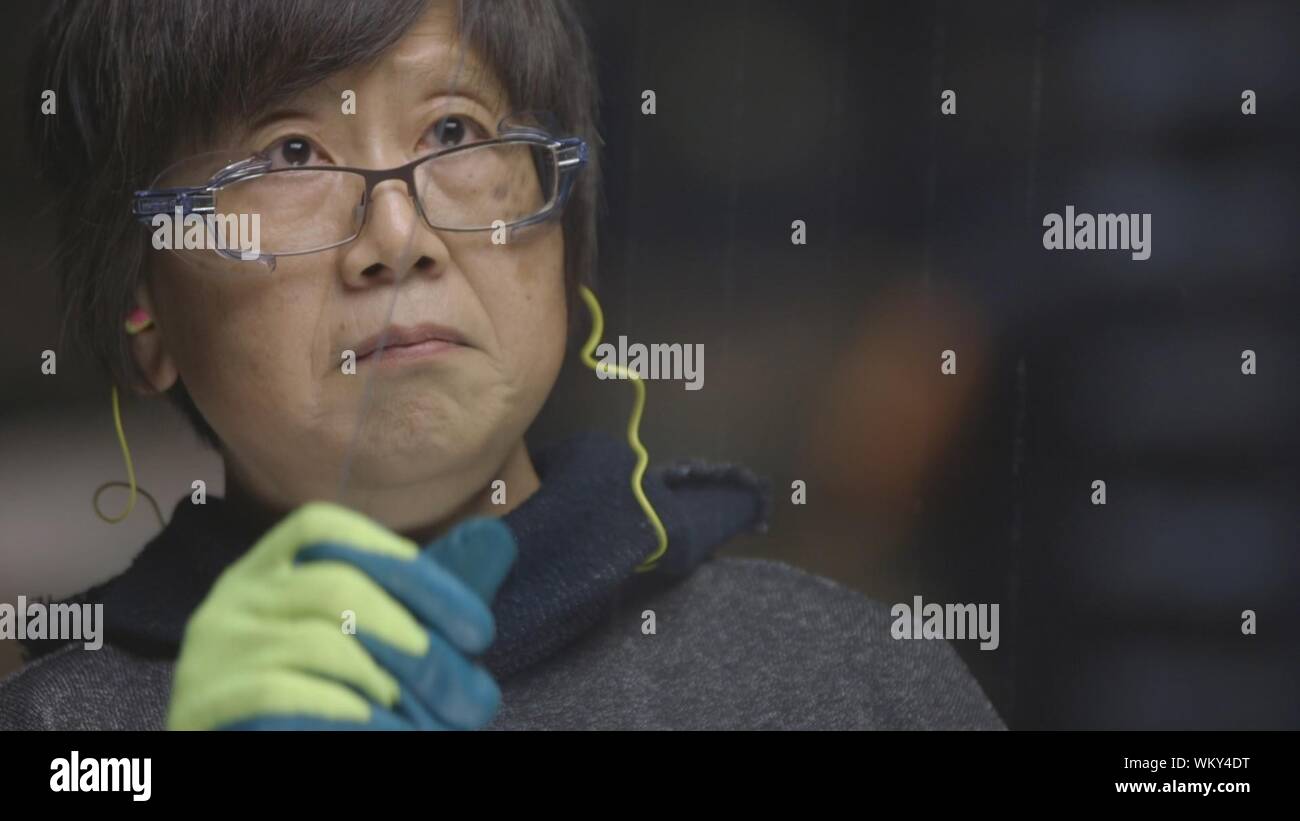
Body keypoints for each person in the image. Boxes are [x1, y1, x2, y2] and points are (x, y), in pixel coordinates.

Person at [0, 0, 1003, 730]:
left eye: (453, 131)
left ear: (559, 237)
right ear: (144, 313)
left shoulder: (840, 680)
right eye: (288, 156)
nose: (397, 234)